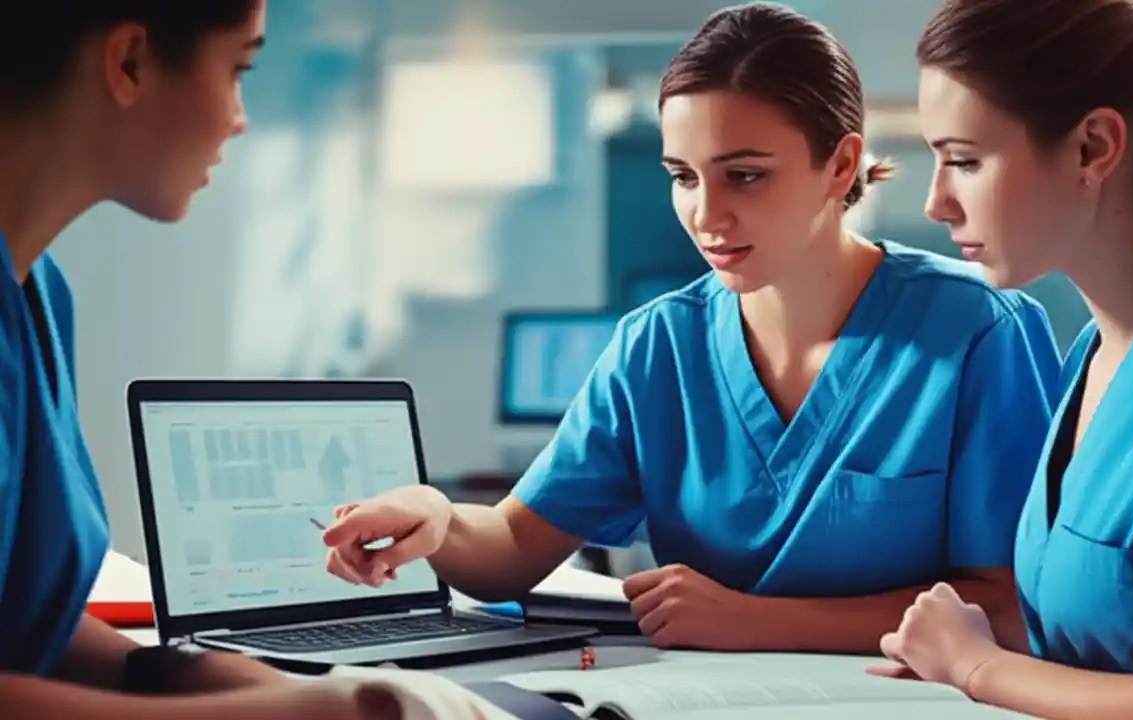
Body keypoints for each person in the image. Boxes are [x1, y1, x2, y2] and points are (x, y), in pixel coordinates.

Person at [323, 2, 1061, 654]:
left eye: (745, 175)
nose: (706, 215)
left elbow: (1011, 608)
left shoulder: (977, 332)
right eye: (683, 176)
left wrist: (759, 622)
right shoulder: (657, 348)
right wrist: (436, 517)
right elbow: (515, 543)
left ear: (841, 166)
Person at [0, 2, 413, 718]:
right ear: (130, 62)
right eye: (238, 68)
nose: (240, 118)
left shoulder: (40, 292)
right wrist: (316, 714)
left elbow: (24, 621)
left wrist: (205, 674)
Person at [876, 1, 1133, 717]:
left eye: (964, 161)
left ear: (1093, 147)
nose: (937, 203)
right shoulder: (1091, 354)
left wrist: (975, 665)